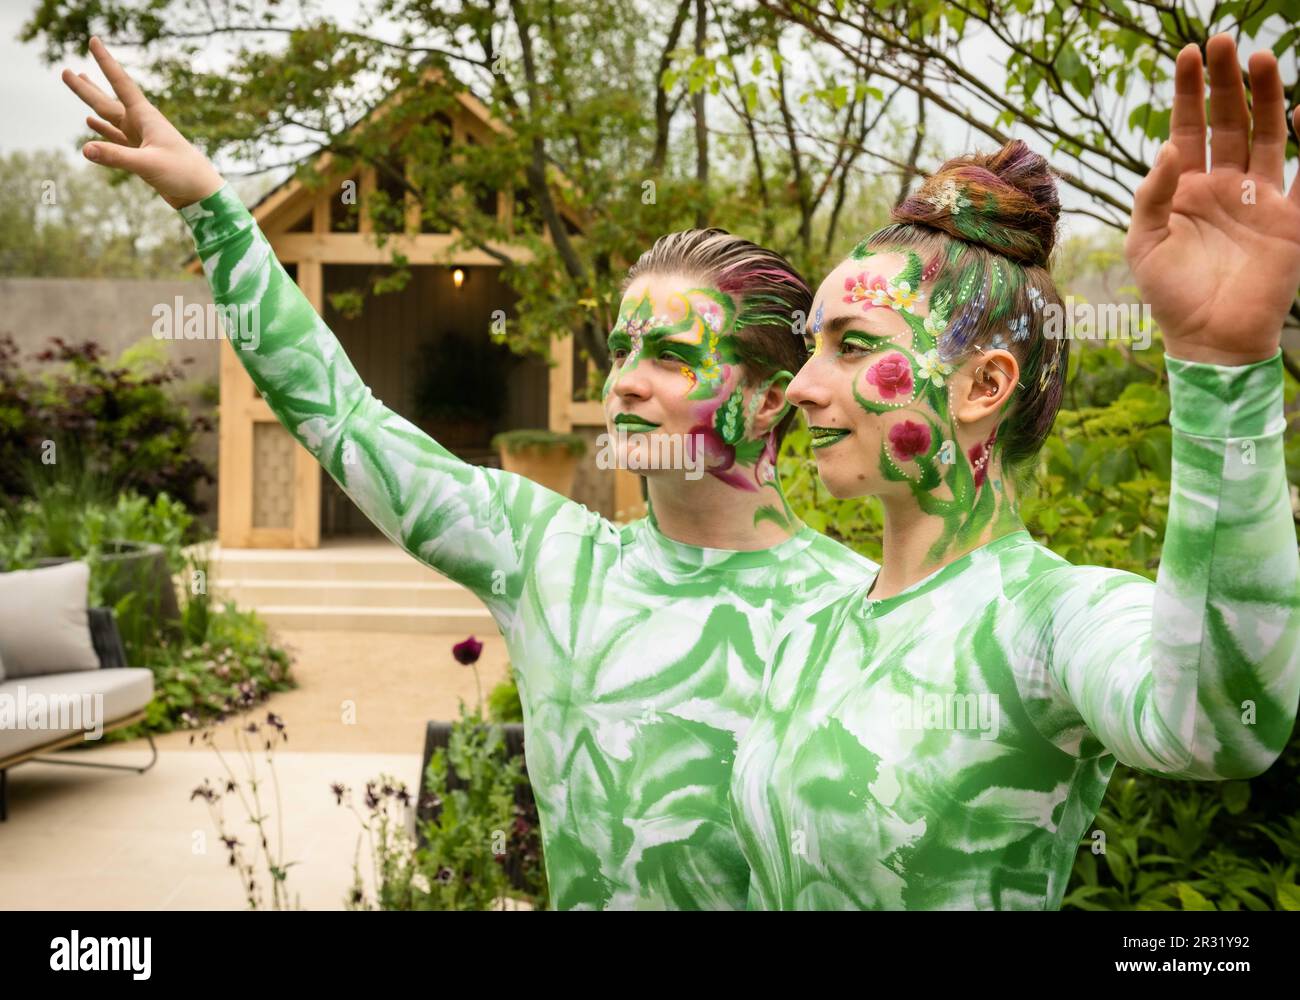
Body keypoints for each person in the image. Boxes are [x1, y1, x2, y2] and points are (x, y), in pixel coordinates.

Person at [62, 37, 877, 910]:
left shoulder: (862, 609)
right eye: (623, 350)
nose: (626, 381)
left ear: (765, 402)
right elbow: (340, 414)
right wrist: (215, 210)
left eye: (673, 357)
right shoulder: (549, 559)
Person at [729, 33, 1300, 910]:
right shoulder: (812, 628)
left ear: (983, 385)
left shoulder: (1047, 622)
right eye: (813, 347)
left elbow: (1221, 726)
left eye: (853, 348)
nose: (801, 386)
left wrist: (1221, 369)